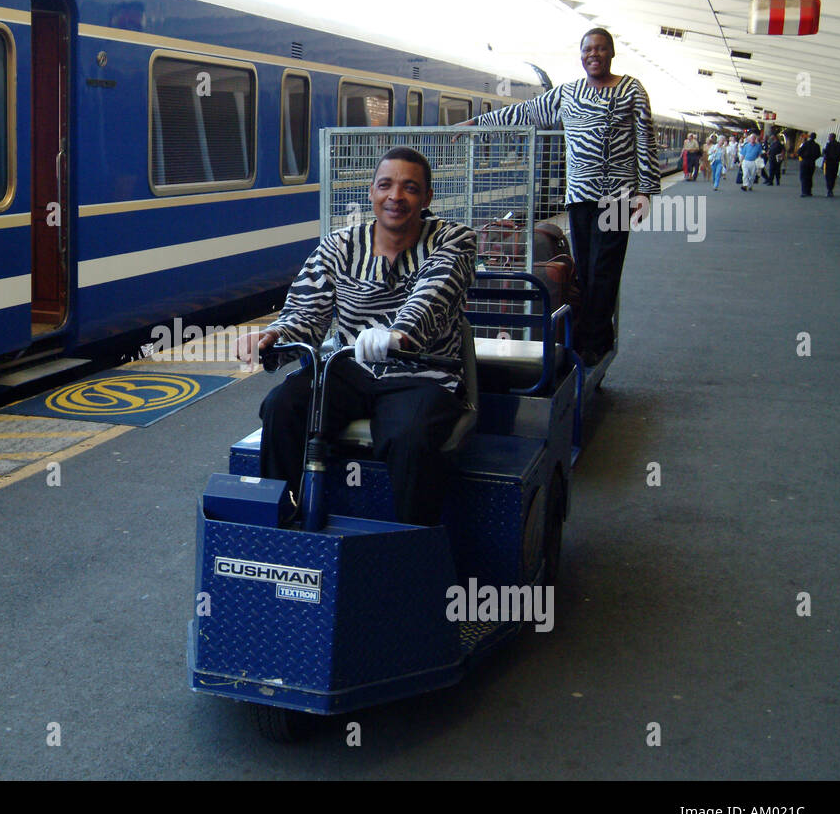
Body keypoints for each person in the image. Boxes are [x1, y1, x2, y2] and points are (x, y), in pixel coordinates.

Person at [235, 147, 474, 527]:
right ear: (371, 193)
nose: (396, 196)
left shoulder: (454, 239)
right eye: (386, 185)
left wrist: (398, 336)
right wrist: (272, 336)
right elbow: (306, 313)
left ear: (427, 198)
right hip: (349, 368)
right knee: (282, 405)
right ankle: (281, 523)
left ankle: (410, 541)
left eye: (410, 188)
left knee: (411, 436)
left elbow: (435, 293)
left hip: (420, 375)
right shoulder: (338, 246)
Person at [459, 27, 657, 366]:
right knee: (585, 268)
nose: (593, 55)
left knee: (605, 269)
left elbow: (646, 137)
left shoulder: (631, 89)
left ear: (611, 53)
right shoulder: (568, 93)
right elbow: (524, 113)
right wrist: (479, 122)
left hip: (620, 196)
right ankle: (594, 335)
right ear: (581, 56)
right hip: (580, 195)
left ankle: (591, 342)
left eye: (600, 49)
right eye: (587, 50)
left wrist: (646, 190)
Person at [797, 132, 822, 197]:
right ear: (815, 137)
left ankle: (804, 191)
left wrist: (803, 156)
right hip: (812, 162)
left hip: (804, 162)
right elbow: (818, 154)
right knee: (810, 177)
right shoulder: (817, 145)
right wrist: (814, 158)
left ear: (810, 137)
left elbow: (799, 152)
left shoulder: (805, 144)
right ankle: (809, 191)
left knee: (803, 177)